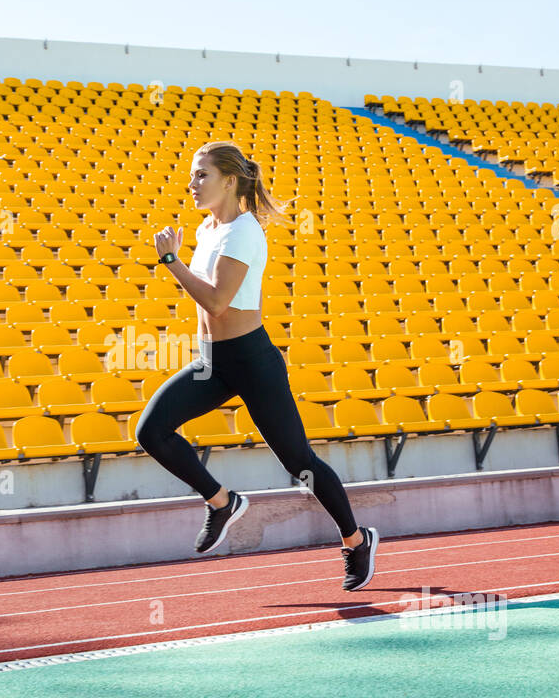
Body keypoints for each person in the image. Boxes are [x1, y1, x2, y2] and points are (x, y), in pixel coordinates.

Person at [135, 141, 379, 590]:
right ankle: (222, 502)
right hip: (213, 362)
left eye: (201, 175)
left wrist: (172, 261)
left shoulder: (244, 232)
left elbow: (217, 300)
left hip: (252, 361)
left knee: (299, 463)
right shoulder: (208, 228)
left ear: (229, 181)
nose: (191, 184)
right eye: (193, 176)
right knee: (151, 431)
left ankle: (356, 540)